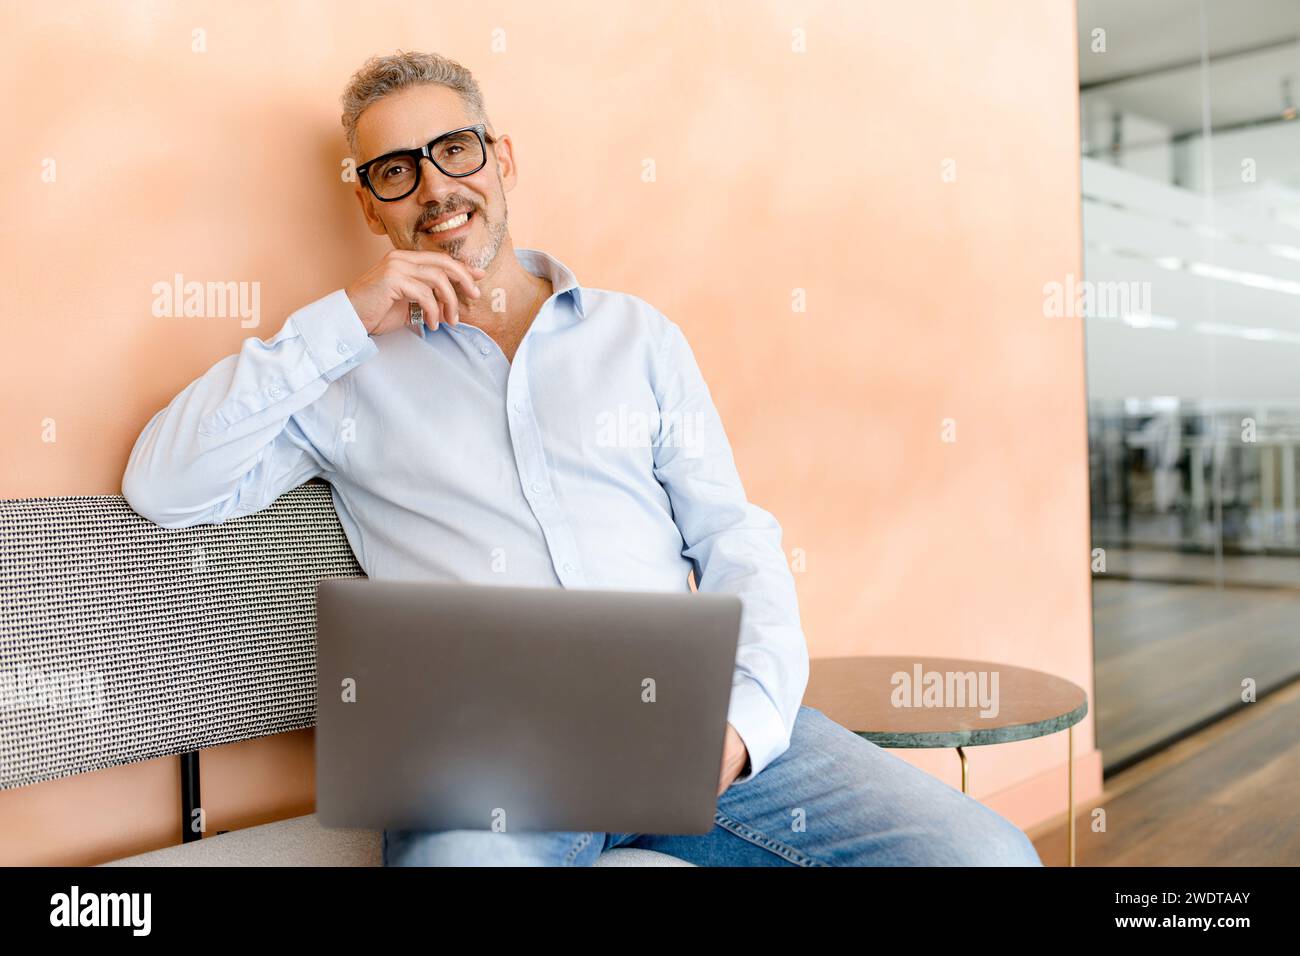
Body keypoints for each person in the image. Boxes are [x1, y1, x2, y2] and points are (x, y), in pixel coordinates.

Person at [122, 50, 1043, 867]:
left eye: (456, 149)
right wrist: (337, 324)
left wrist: (743, 722)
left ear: (502, 158)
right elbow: (164, 485)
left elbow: (733, 536)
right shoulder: (341, 373)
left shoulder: (636, 337)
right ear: (368, 202)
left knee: (985, 854)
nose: (435, 187)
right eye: (395, 171)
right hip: (483, 757)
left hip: (683, 717)